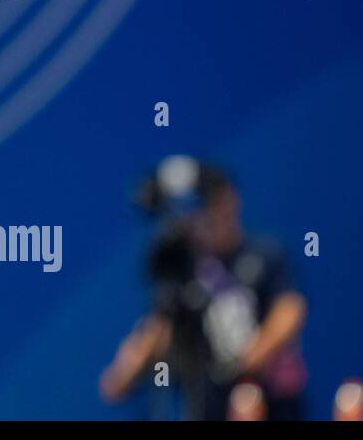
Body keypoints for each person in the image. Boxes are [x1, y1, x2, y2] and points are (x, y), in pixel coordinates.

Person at [99, 159, 308, 420]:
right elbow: (158, 329)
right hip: (209, 407)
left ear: (231, 203)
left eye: (209, 207)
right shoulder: (183, 272)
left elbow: (289, 311)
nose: (201, 220)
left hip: (270, 402)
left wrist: (249, 359)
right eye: (194, 211)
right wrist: (126, 370)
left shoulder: (264, 254)